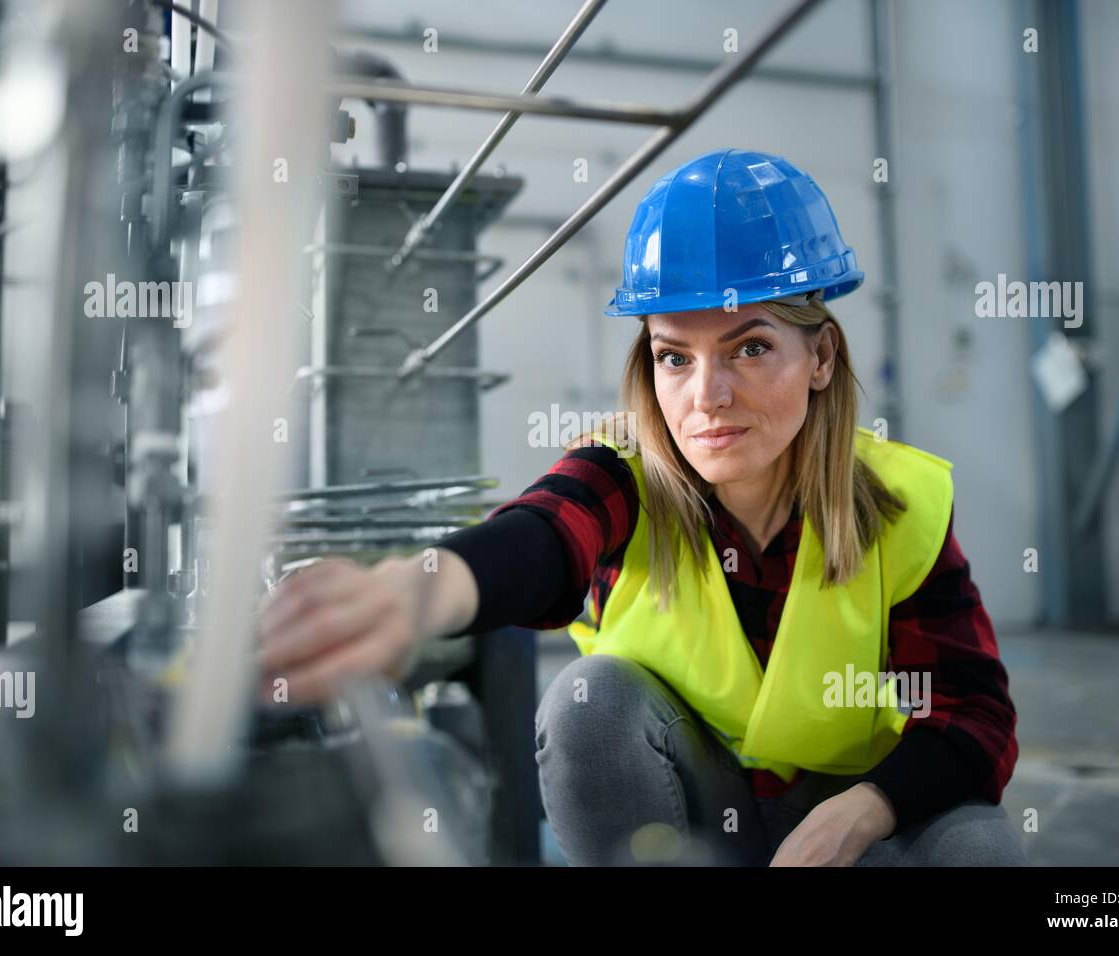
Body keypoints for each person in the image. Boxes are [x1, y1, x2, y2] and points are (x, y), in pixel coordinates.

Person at [257, 148, 1024, 867]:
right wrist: (419, 588)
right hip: (686, 818)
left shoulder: (899, 504)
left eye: (750, 348)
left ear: (820, 357)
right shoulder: (623, 472)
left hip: (845, 824)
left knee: (978, 845)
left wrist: (866, 809)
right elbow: (544, 534)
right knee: (588, 706)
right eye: (674, 357)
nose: (707, 398)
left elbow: (973, 715)